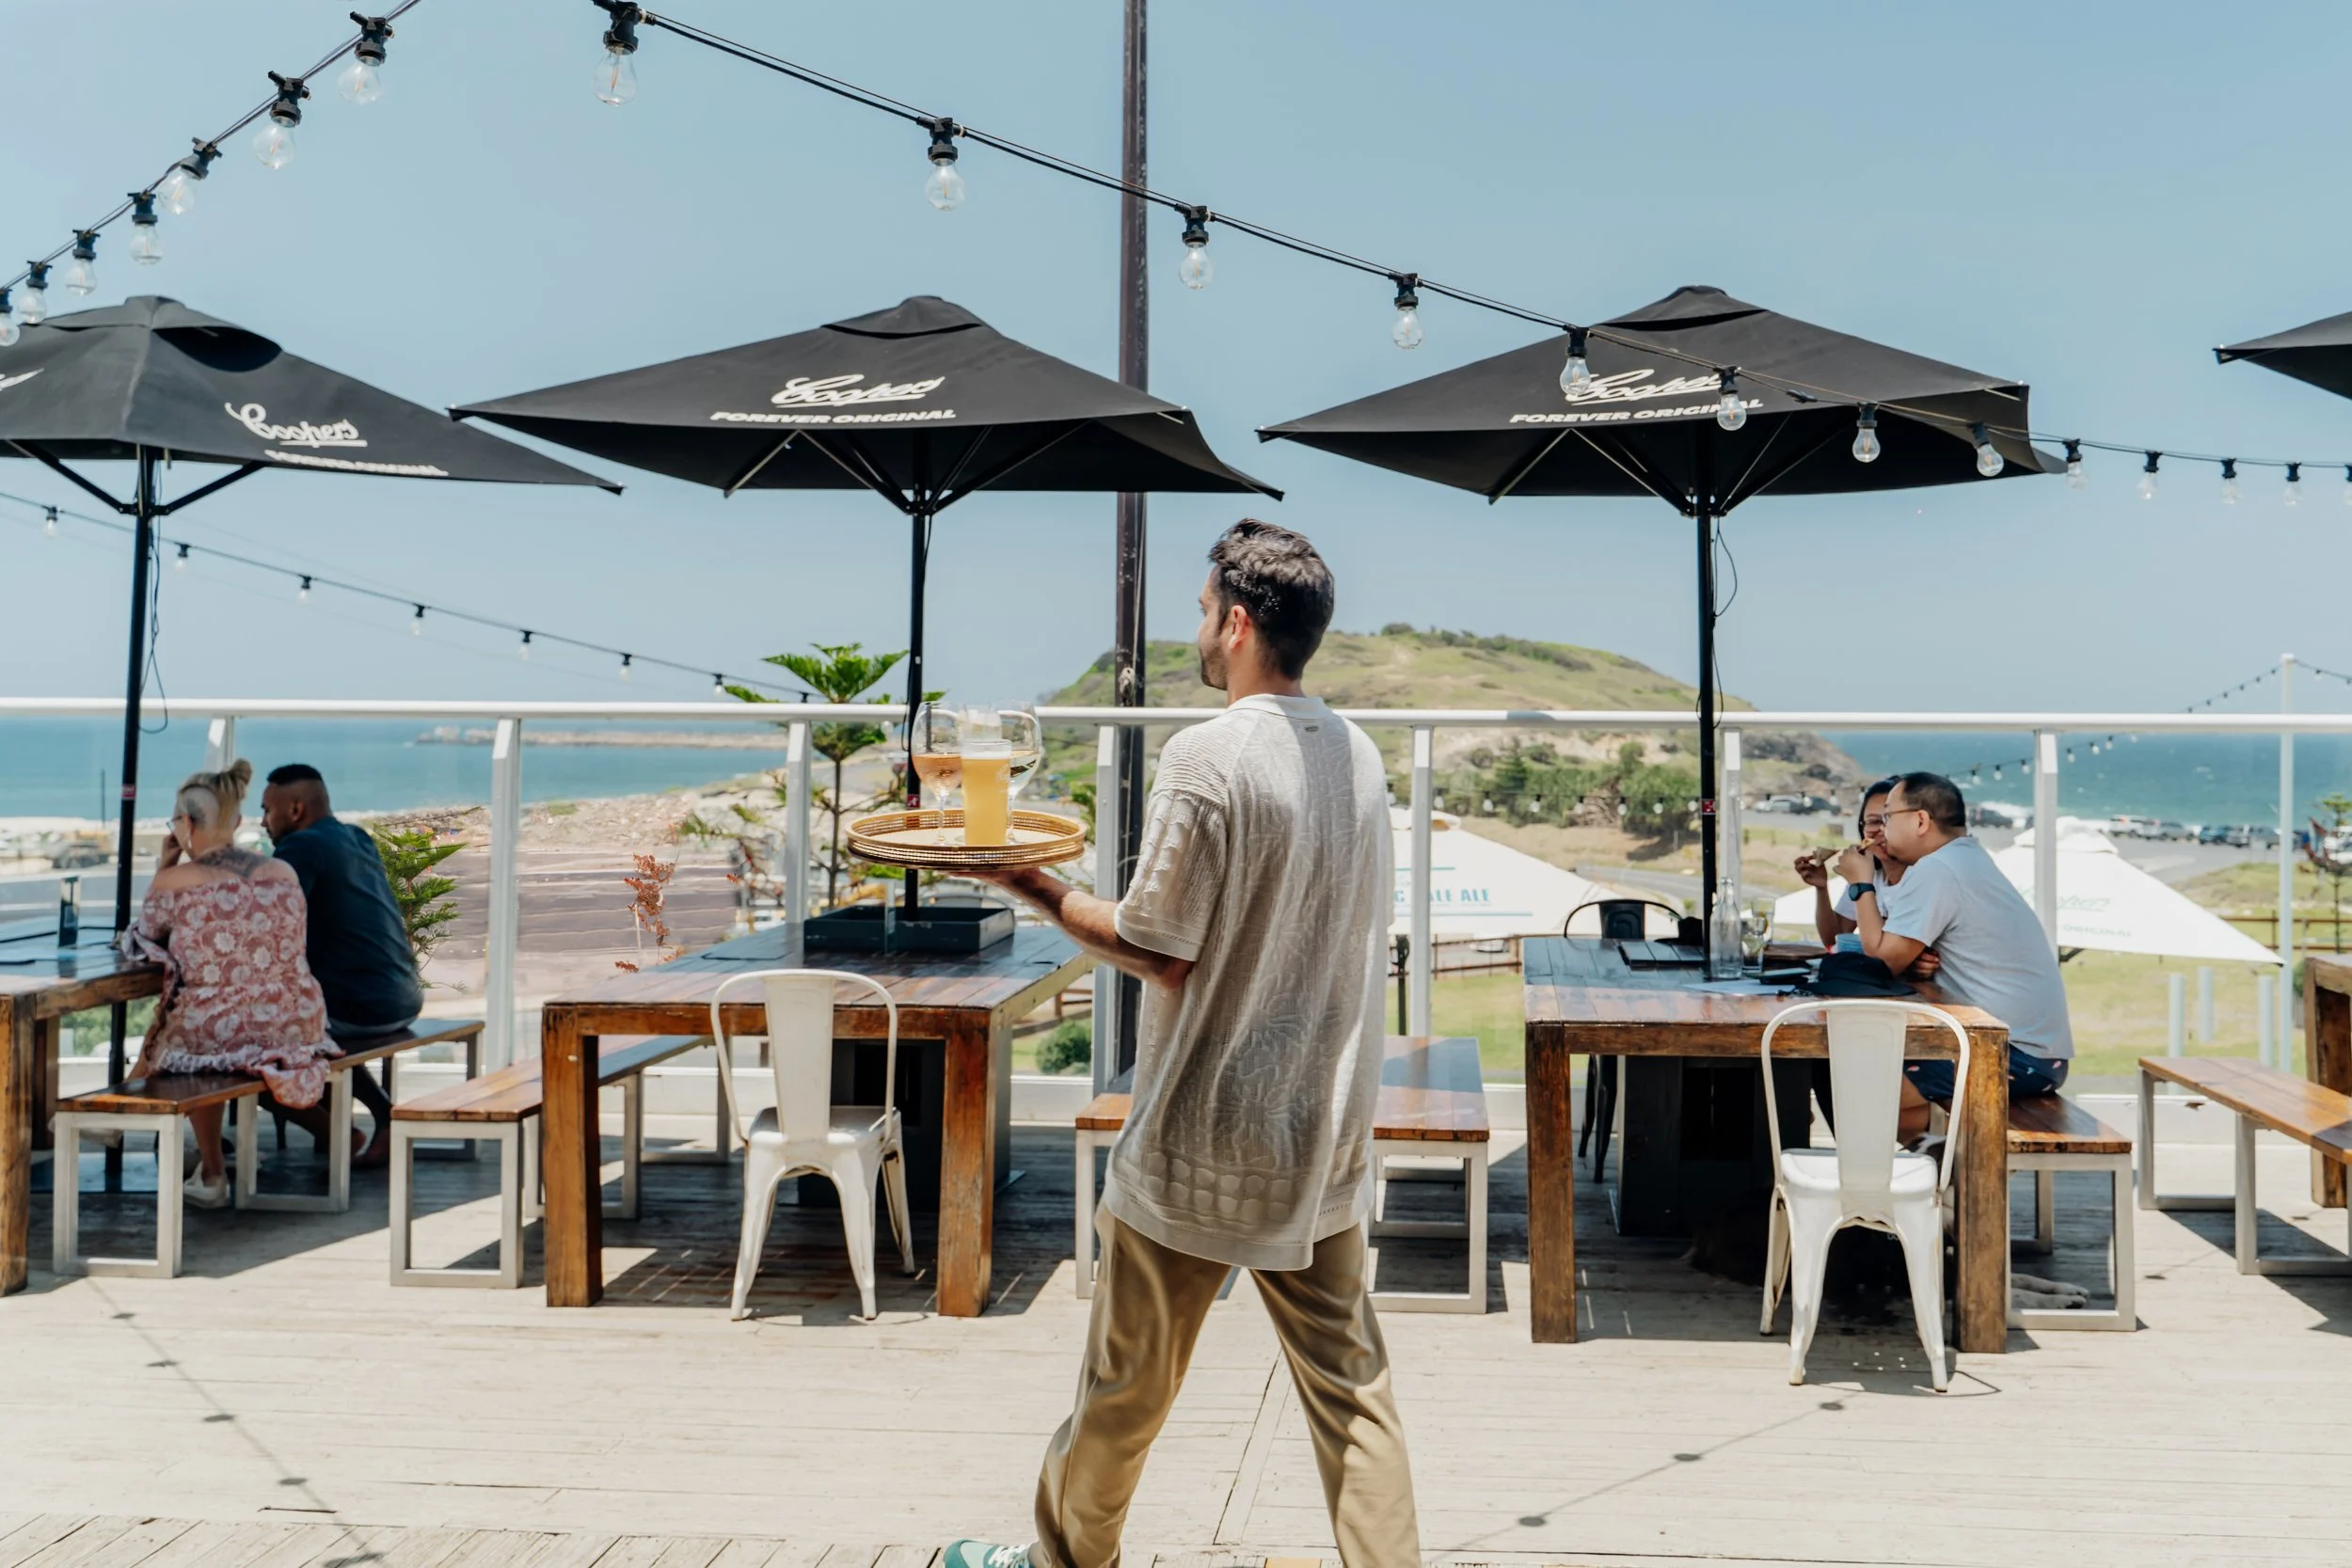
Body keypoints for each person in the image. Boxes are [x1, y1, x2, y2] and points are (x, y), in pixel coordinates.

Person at [946, 521, 1419, 1568]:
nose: (1198, 630)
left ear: (1239, 621)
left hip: (1203, 1129)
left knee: (1125, 1388)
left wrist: (1025, 878)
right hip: (1321, 1126)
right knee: (1353, 1394)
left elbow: (1157, 948)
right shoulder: (1358, 750)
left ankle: (1061, 1560)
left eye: (1204, 611)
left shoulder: (1206, 757)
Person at [124, 762, 340, 1208]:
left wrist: (164, 865)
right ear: (237, 822)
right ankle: (203, 1157)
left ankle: (213, 1171)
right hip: (296, 1023)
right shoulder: (282, 871)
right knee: (199, 1021)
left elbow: (144, 935)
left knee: (190, 1031)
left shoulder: (176, 881)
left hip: (222, 1031)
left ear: (184, 823)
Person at [1839, 770, 2073, 1140]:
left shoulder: (1938, 869)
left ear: (1920, 820)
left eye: (1888, 817)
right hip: (2030, 1048)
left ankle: (1927, 1171)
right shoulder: (1964, 858)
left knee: (1859, 1082)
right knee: (1857, 1071)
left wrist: (1861, 883)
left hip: (2014, 1054)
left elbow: (1881, 961)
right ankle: (1931, 1162)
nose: (1881, 828)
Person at [259, 763, 425, 1165]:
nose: (263, 821)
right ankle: (358, 1122)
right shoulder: (357, 838)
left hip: (360, 1007)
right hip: (403, 995)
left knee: (247, 1056)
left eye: (267, 810)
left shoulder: (300, 848)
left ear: (295, 810)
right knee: (304, 1022)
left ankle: (342, 1130)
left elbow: (266, 924)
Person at [1795, 778, 1939, 978]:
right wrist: (1822, 888)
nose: (1881, 830)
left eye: (1889, 820)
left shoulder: (1924, 875)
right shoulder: (1869, 872)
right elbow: (1834, 940)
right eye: (1873, 822)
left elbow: (1896, 957)